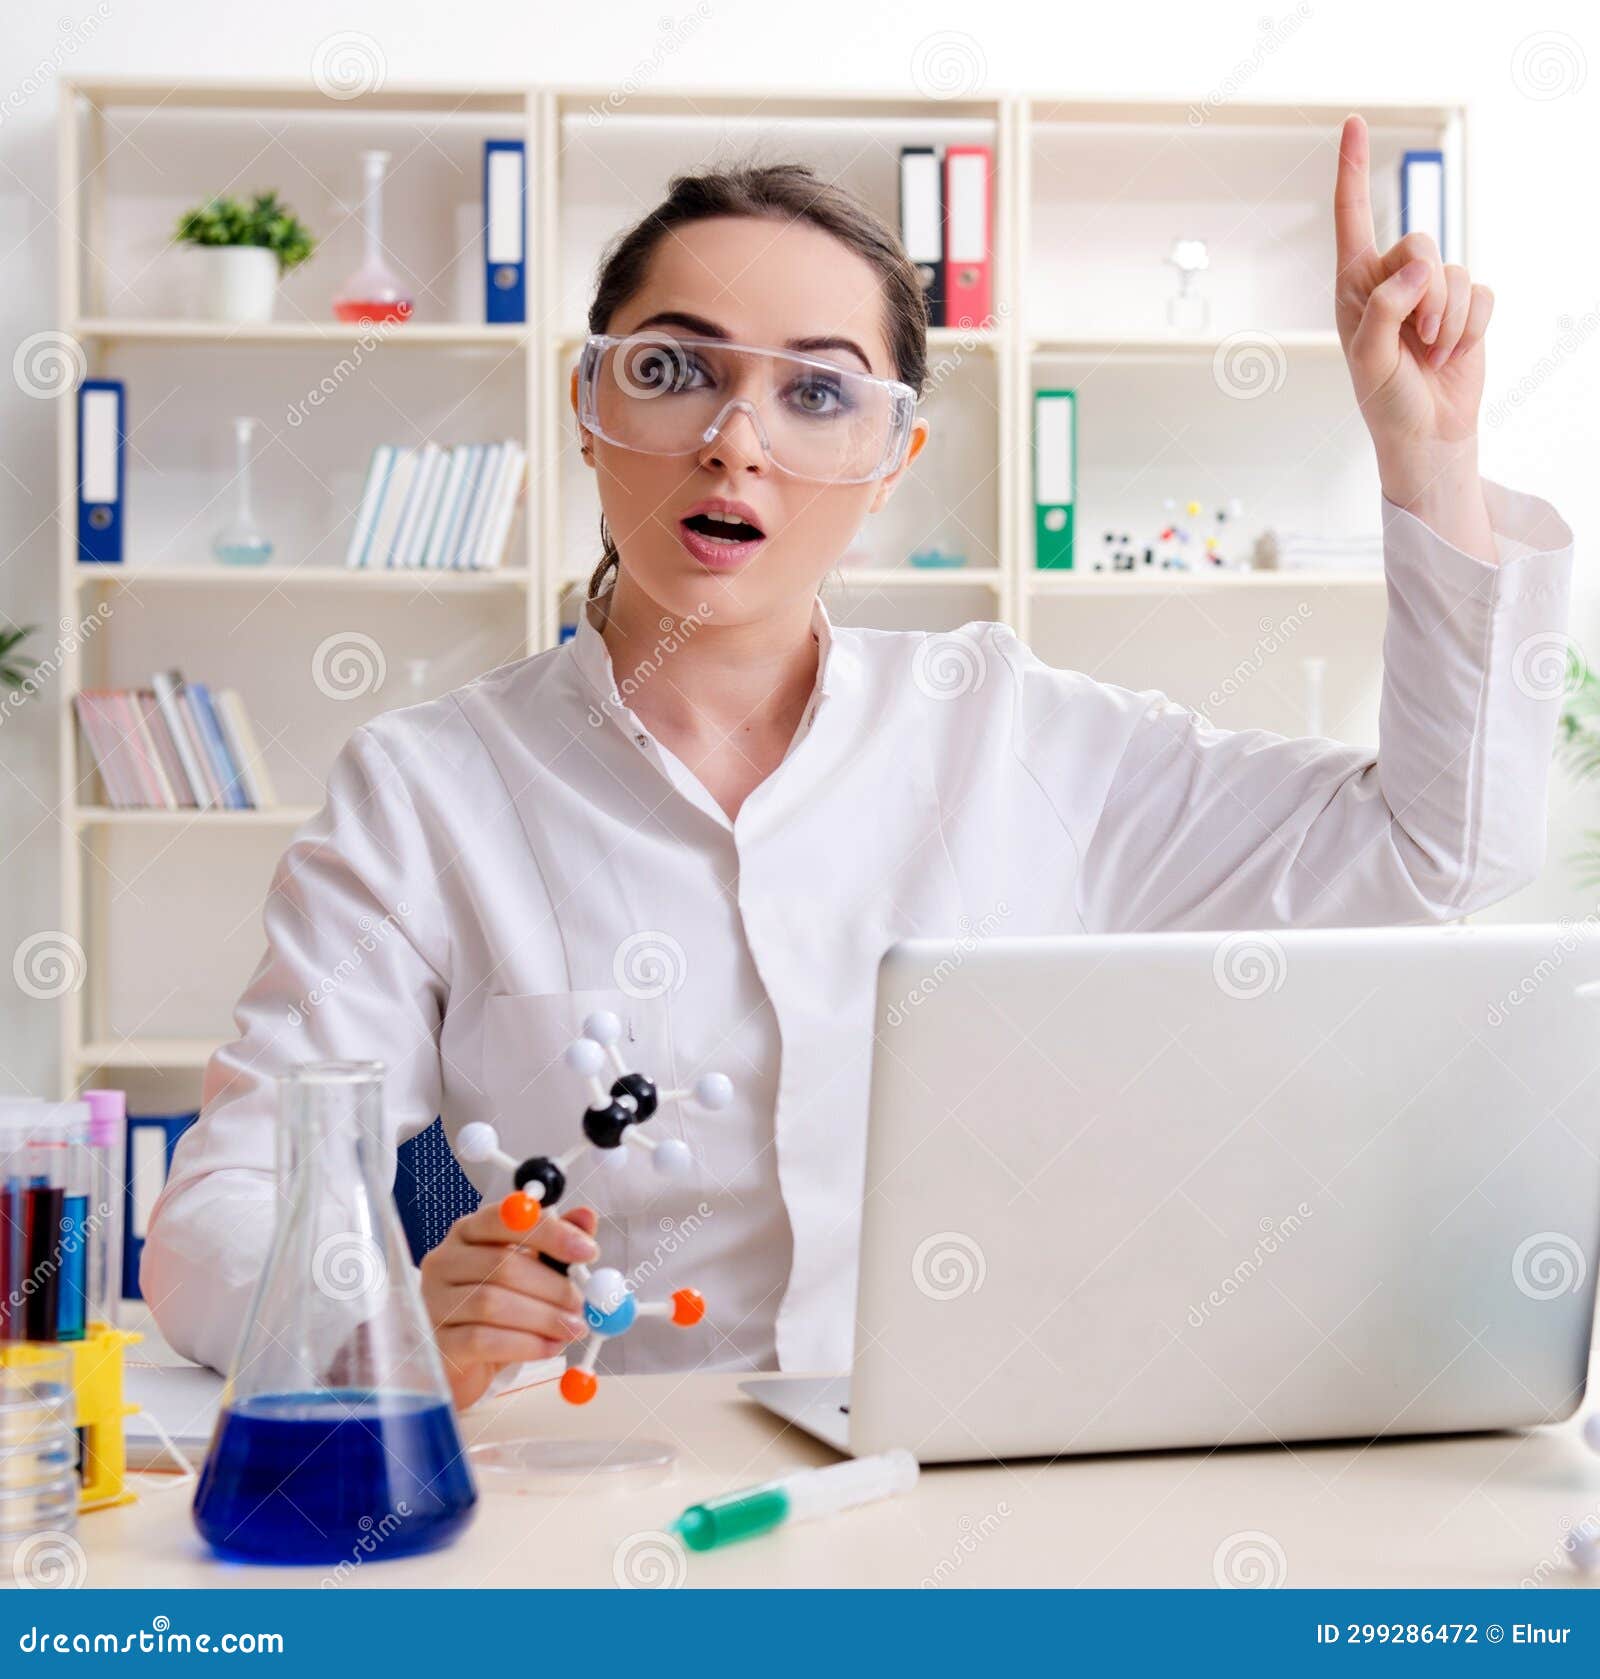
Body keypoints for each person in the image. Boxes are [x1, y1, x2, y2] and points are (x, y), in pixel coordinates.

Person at [143, 116, 1574, 1411]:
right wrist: (377, 1317)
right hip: (605, 1502)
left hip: (981, 1483)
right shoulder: (429, 788)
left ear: (895, 461)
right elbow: (221, 1216)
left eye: (818, 394)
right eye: (671, 371)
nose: (733, 441)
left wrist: (1427, 457)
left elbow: (1435, 856)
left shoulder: (1016, 733)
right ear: (589, 408)